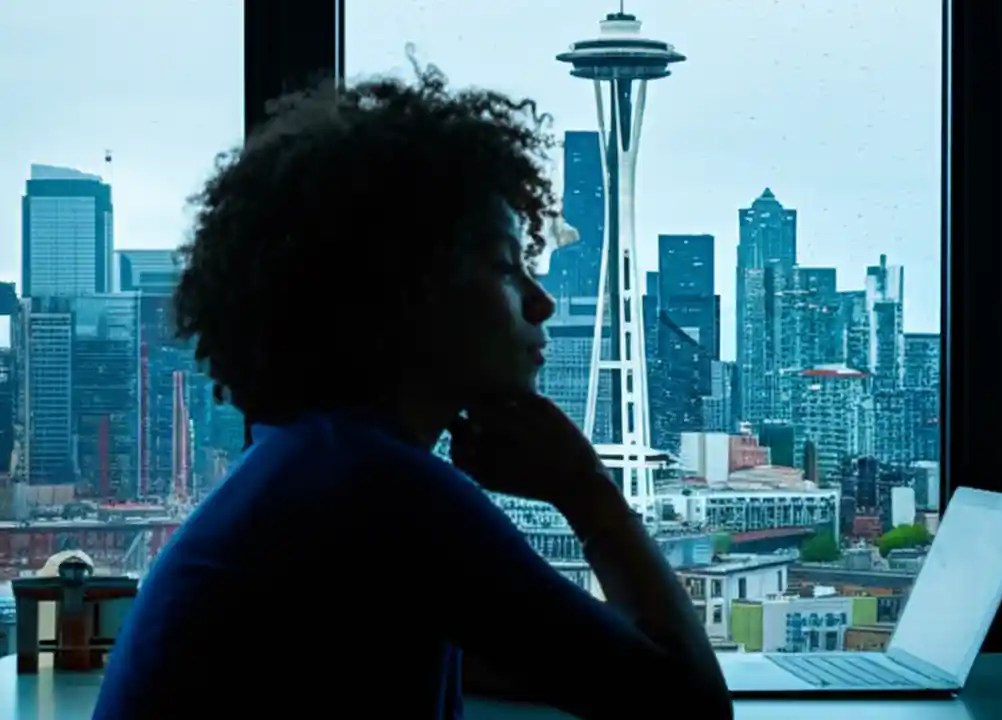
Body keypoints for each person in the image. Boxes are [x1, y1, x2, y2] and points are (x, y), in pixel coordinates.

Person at [91, 65, 732, 720]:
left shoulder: (311, 469)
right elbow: (687, 709)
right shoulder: (376, 489)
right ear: (406, 293)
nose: (540, 303)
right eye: (505, 268)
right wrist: (586, 491)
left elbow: (516, 653)